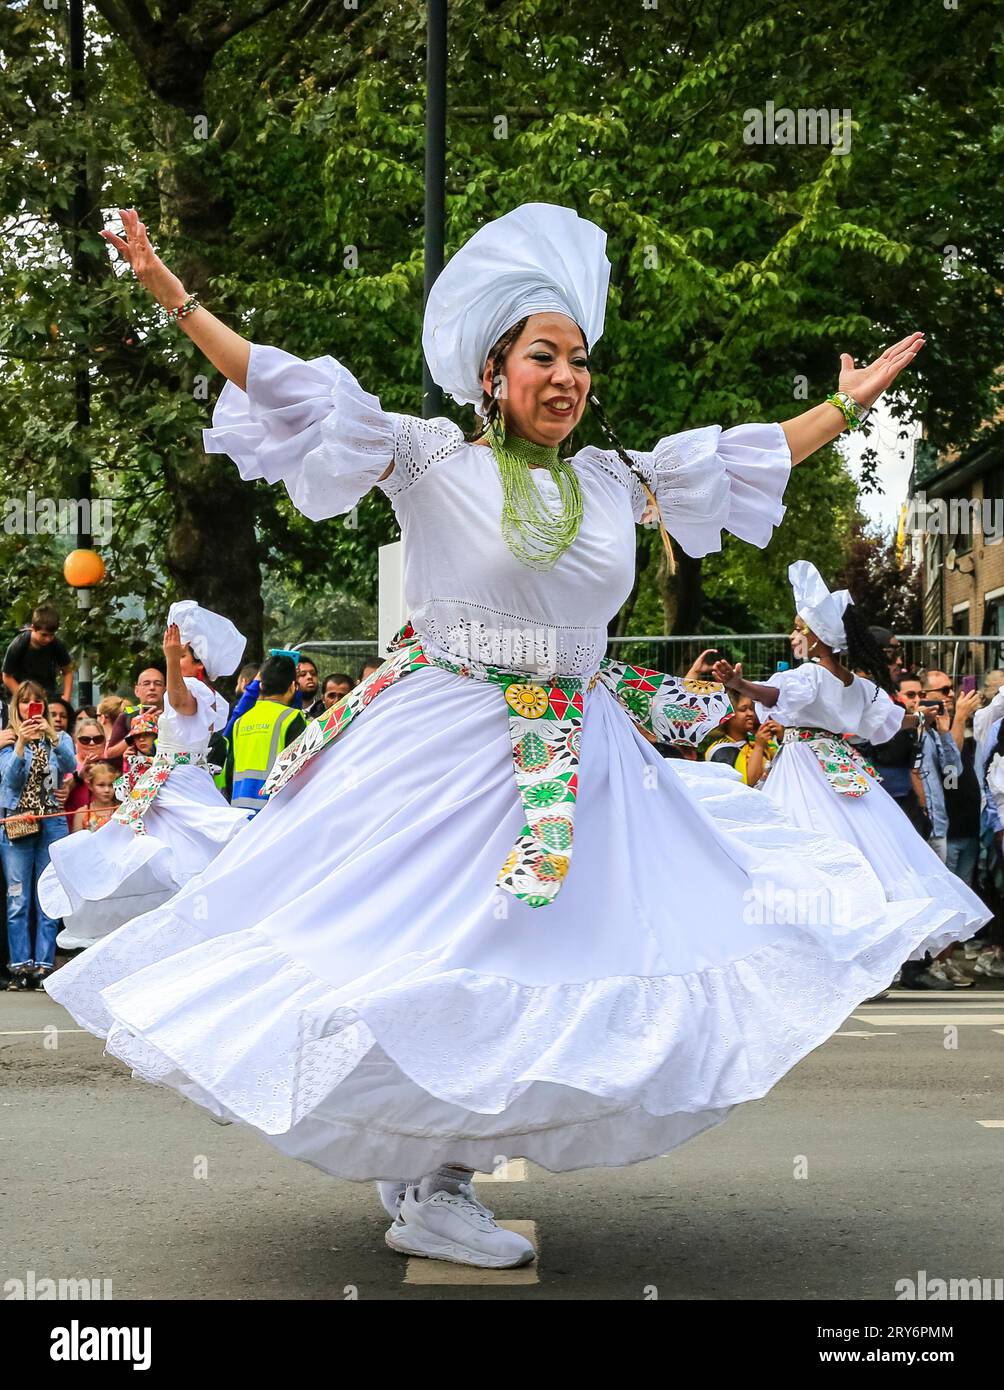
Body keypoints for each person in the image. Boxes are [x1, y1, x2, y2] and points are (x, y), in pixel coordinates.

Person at [48, 201, 934, 1272]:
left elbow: (739, 462)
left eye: (579, 360)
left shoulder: (613, 480)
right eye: (542, 355)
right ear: (492, 371)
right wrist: (171, 293)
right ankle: (433, 1179)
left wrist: (837, 409)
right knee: (435, 951)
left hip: (581, 756)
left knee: (561, 958)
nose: (566, 377)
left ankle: (429, 1162)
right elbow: (280, 382)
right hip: (448, 745)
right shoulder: (428, 461)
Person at [713, 562, 991, 982]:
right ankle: (854, 959)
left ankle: (820, 958)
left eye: (798, 630)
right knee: (865, 850)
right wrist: (925, 718)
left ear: (815, 638)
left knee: (801, 848)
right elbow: (891, 722)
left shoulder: (810, 676)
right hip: (839, 762)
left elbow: (775, 693)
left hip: (805, 763)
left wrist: (743, 687)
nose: (794, 637)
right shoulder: (856, 684)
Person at [38, 602, 250, 949]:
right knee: (157, 851)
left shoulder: (193, 689)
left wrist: (169, 659)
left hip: (178, 780)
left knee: (175, 852)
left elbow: (181, 703)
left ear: (198, 663)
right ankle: (169, 928)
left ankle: (182, 927)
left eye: (182, 654)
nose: (173, 657)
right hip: (173, 778)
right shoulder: (209, 693)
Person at [0, 682, 75, 989]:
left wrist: (53, 736)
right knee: (18, 897)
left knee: (47, 895)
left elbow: (71, 766)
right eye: (25, 703)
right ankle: (20, 966)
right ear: (16, 707)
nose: (31, 708)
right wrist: (20, 744)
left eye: (37, 703)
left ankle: (43, 966)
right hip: (17, 821)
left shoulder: (59, 738)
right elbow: (10, 779)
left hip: (51, 820)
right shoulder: (6, 739)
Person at [225, 655, 306, 813]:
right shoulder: (292, 718)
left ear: (261, 686)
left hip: (239, 810)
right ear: (292, 687)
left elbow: (230, 768)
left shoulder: (240, 721)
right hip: (274, 812)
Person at [701, 695, 781, 787]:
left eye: (751, 709)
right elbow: (749, 784)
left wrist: (782, 738)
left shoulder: (756, 743)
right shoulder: (721, 749)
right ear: (727, 715)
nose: (750, 714)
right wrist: (759, 747)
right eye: (743, 710)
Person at [2, 606, 75, 703]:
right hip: (20, 694)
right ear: (33, 628)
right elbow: (6, 676)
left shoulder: (56, 644)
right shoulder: (19, 644)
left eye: (52, 635)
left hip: (46, 696)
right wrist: (25, 698)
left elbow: (68, 672)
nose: (48, 639)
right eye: (44, 635)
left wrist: (66, 698)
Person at [104, 664, 167, 766]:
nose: (152, 688)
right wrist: (138, 727)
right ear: (137, 690)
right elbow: (110, 753)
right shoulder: (127, 715)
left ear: (165, 689)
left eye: (158, 684)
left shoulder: (173, 715)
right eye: (146, 684)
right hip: (136, 773)